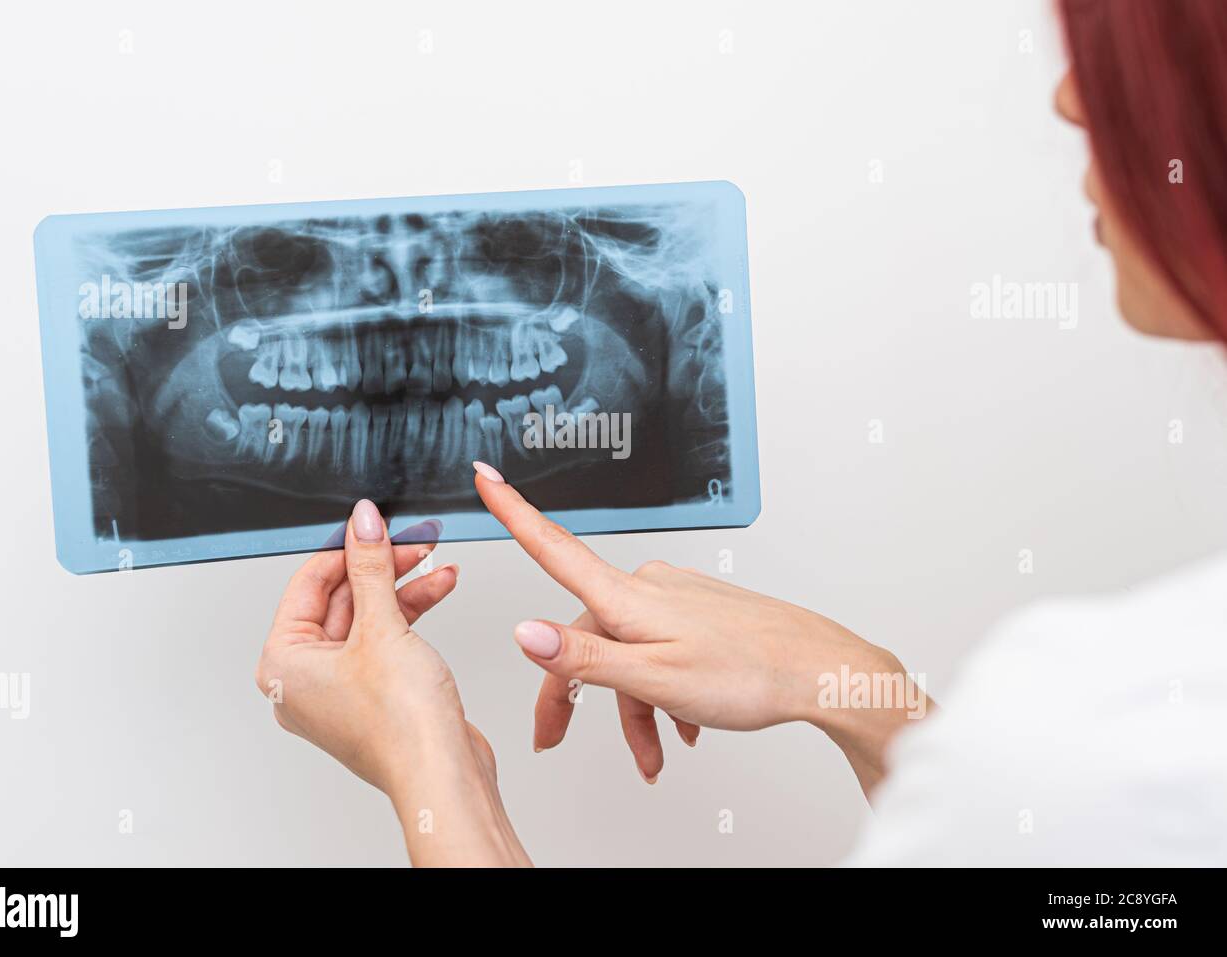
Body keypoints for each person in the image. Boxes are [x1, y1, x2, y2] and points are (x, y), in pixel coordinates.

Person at [254, 0, 1227, 866]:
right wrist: (852, 684)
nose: (1069, 99)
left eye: (1140, 50)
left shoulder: (1119, 723)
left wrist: (432, 775)